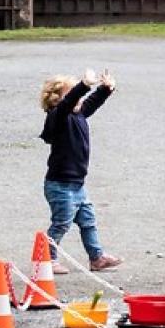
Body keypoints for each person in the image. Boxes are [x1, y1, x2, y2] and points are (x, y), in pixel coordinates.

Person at [39, 69, 122, 274]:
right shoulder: (57, 117)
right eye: (74, 94)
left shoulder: (79, 114)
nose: (80, 99)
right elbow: (69, 103)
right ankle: (47, 260)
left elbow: (91, 102)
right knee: (61, 223)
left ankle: (97, 258)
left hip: (77, 185)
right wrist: (83, 85)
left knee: (88, 222)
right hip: (60, 185)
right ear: (58, 100)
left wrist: (105, 89)